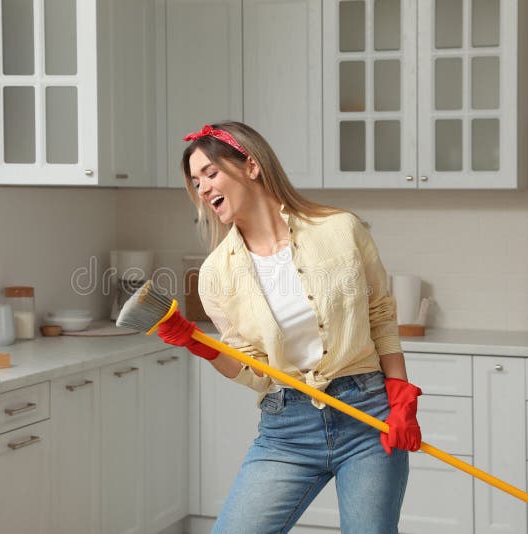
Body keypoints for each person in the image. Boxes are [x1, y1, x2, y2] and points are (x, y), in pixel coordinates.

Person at [156, 121, 423, 534]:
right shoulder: (215, 275)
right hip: (288, 430)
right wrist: (201, 345)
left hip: (367, 418)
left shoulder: (341, 229)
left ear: (251, 166)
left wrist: (401, 396)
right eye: (196, 182)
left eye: (211, 173)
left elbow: (381, 315)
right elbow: (256, 371)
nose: (204, 189)